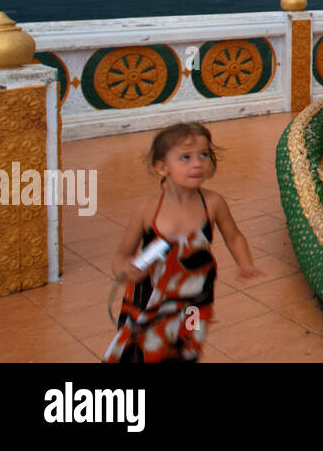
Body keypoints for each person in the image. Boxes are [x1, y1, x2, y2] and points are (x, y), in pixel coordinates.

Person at [104, 122, 261, 362]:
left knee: (187, 347)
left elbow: (234, 235)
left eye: (204, 155)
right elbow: (121, 254)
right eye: (185, 158)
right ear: (162, 167)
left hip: (195, 299)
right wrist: (126, 269)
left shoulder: (213, 203)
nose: (197, 163)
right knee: (140, 352)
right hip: (148, 299)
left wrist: (245, 262)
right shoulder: (147, 209)